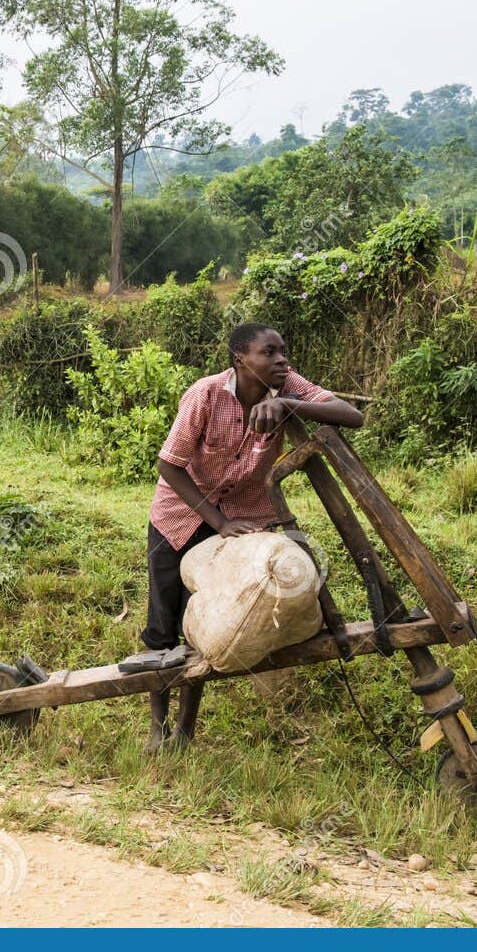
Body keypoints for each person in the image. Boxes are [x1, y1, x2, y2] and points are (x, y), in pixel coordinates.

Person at [135, 321, 364, 751]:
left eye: (284, 352)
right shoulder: (204, 394)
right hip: (180, 517)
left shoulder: (286, 386)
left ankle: (184, 732)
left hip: (243, 522)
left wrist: (291, 406)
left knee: (203, 627)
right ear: (241, 360)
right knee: (163, 629)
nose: (282, 360)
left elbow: (353, 416)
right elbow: (170, 465)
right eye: (269, 353)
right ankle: (157, 728)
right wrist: (217, 523)